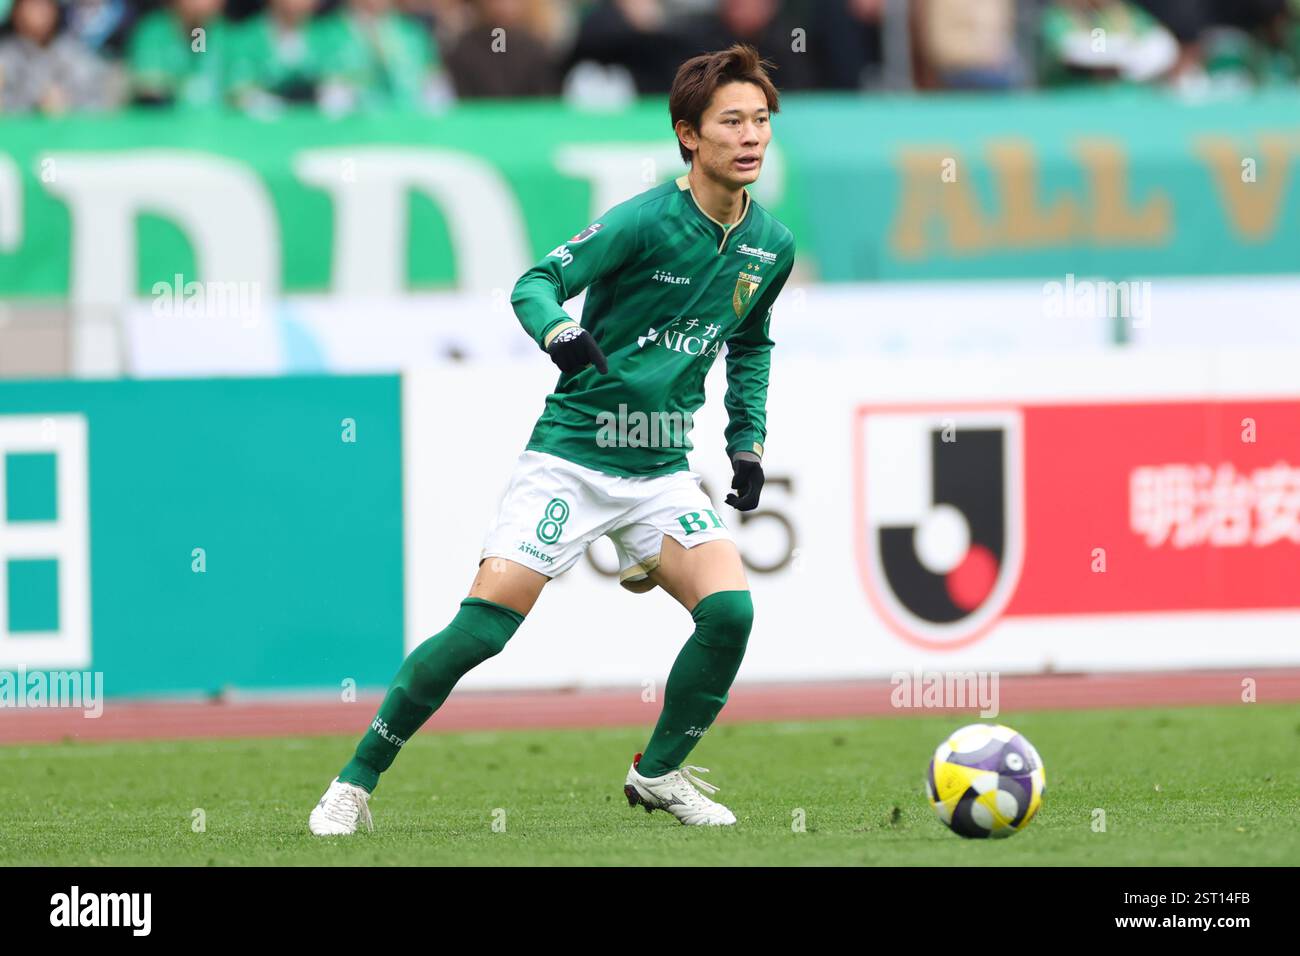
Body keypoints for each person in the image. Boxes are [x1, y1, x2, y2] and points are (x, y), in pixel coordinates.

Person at [309, 42, 796, 834]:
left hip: (662, 468)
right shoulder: (643, 221)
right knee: (484, 627)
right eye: (731, 121)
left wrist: (748, 444)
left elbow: (751, 345)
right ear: (687, 135)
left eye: (762, 121)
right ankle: (353, 783)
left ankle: (660, 772)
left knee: (731, 613)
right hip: (572, 457)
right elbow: (534, 282)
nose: (751, 137)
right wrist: (558, 333)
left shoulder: (770, 244)